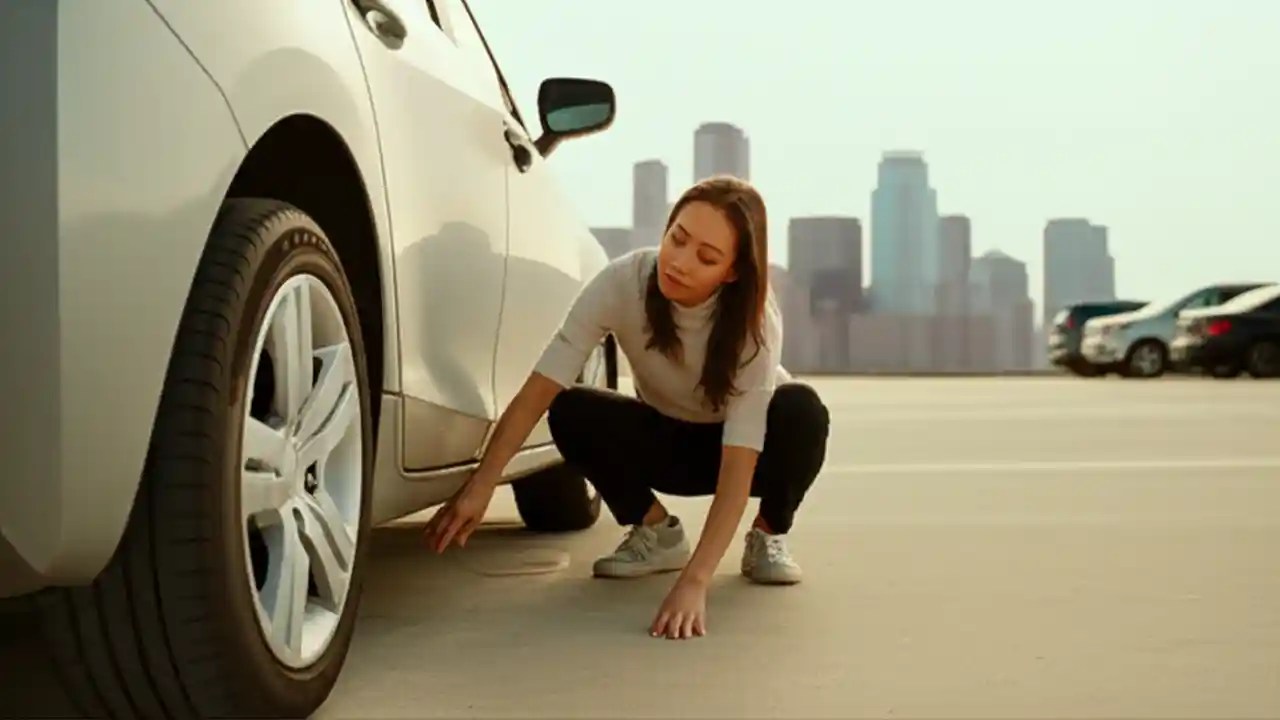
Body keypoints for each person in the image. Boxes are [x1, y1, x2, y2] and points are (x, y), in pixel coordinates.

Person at [423, 175, 830, 640]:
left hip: (744, 450)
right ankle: (657, 533)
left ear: (732, 272)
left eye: (707, 257)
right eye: (677, 238)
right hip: (666, 439)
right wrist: (482, 483)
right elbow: (540, 388)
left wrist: (695, 583)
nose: (679, 262)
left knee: (803, 411)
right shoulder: (624, 282)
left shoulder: (755, 327)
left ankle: (767, 535)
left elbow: (738, 464)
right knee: (571, 409)